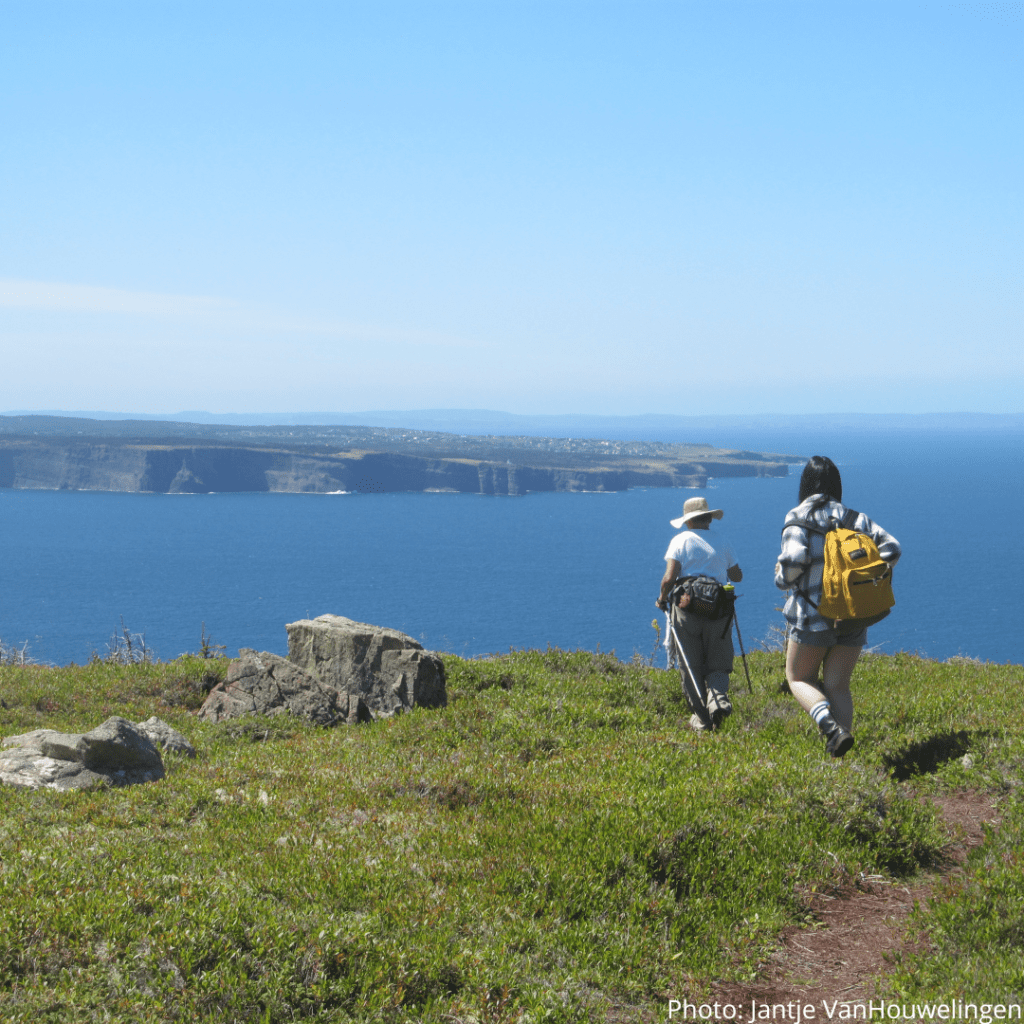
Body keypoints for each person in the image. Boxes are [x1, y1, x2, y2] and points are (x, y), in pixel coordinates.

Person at [775, 456, 901, 758]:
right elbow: (892, 548)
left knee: (798, 678)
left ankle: (831, 728)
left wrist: (781, 579)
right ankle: (840, 764)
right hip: (853, 615)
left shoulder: (798, 515)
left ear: (805, 483)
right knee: (838, 687)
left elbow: (792, 562)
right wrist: (863, 577)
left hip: (812, 616)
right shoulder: (854, 517)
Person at [657, 496, 743, 730]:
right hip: (719, 609)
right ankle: (718, 700)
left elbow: (669, 578)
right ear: (708, 519)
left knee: (689, 661)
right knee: (718, 659)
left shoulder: (680, 541)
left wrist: (662, 599)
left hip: (687, 607)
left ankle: (701, 718)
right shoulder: (722, 540)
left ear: (688, 521)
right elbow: (737, 576)